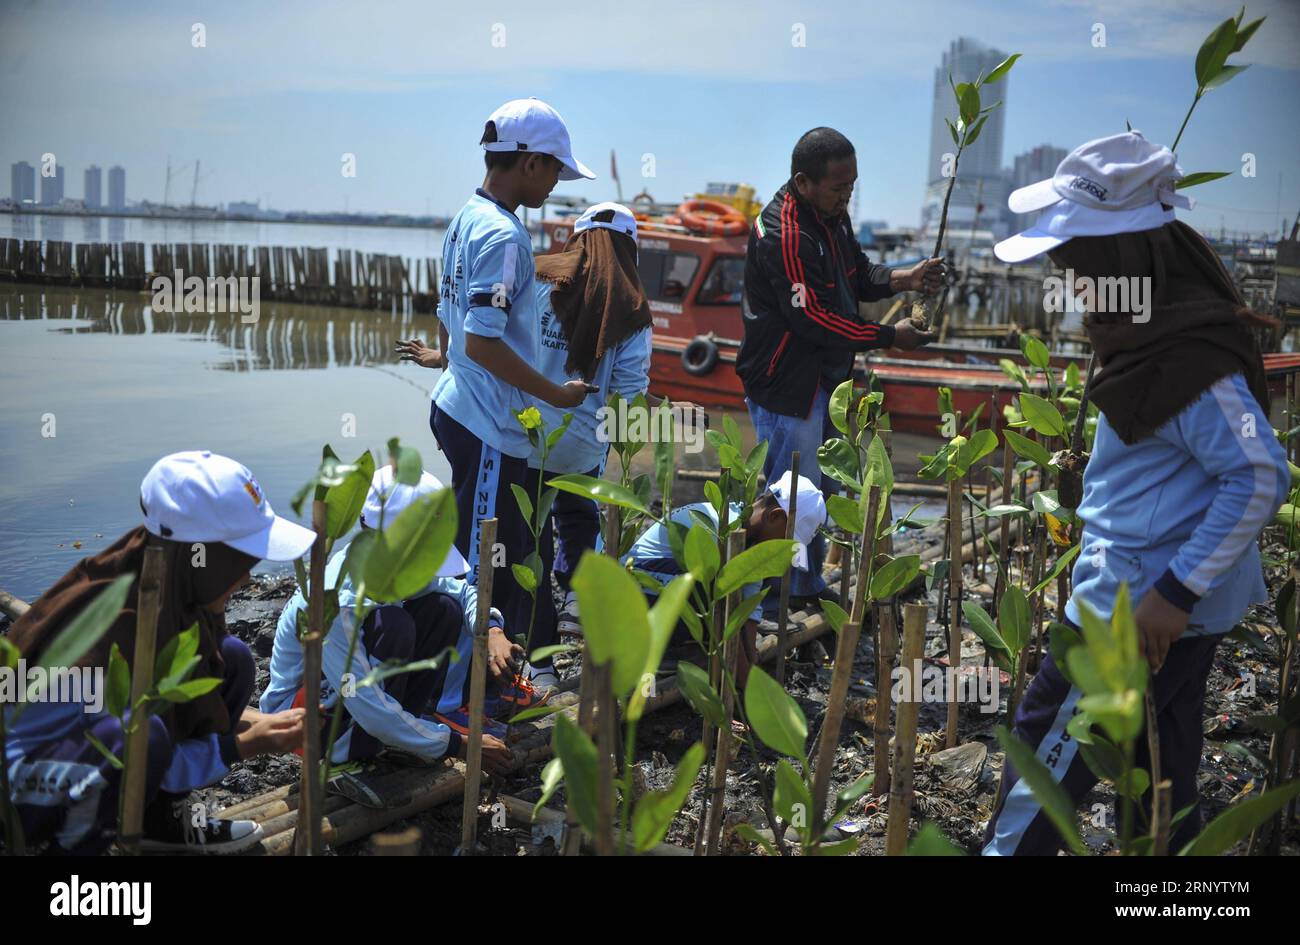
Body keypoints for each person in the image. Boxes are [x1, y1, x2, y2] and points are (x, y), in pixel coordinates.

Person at [981, 131, 1290, 855]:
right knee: (1158, 795)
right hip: (1170, 613)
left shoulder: (1187, 363)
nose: (1072, 285)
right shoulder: (1157, 338)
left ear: (1118, 262)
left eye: (1076, 268)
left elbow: (1261, 474)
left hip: (1132, 617)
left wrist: (1175, 590)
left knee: (1039, 770)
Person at [3, 450, 315, 854]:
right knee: (140, 737)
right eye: (240, 560)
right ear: (198, 557)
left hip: (104, 751)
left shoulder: (176, 593)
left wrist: (261, 724)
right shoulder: (109, 631)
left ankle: (151, 821)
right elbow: (130, 747)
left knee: (232, 659)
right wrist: (242, 745)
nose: (246, 576)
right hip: (21, 787)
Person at [403, 98, 594, 703]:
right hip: (485, 420)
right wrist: (557, 394)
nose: (558, 184)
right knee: (485, 554)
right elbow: (485, 344)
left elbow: (448, 313)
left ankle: (482, 674)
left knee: (496, 543)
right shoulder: (505, 235)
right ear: (531, 163)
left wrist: (445, 357)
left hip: (461, 403)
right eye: (557, 171)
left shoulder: (467, 216)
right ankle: (469, 690)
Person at [735, 127, 943, 607]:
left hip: (828, 379)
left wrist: (902, 278)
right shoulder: (785, 234)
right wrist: (890, 338)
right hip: (788, 381)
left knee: (820, 488)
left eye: (852, 186)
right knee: (789, 491)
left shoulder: (831, 216)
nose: (847, 196)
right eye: (838, 188)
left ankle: (804, 586)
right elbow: (812, 320)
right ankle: (767, 598)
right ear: (803, 182)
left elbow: (858, 274)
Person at [262, 466, 518, 801]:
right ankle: (339, 761)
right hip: (299, 720)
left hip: (353, 700)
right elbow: (364, 700)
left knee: (442, 610)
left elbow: (459, 592)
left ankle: (389, 742)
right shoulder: (335, 602)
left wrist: (493, 630)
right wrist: (458, 743)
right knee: (395, 625)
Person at [524, 201, 654, 685]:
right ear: (629, 248)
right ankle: (579, 599)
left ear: (574, 239)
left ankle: (536, 667)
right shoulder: (633, 307)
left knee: (527, 547)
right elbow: (626, 398)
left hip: (522, 439)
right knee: (578, 513)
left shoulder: (533, 277)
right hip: (580, 447)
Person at [623, 472, 827, 688]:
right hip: (635, 592)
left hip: (663, 592)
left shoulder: (749, 539)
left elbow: (748, 609)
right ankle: (662, 652)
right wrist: (748, 689)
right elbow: (724, 612)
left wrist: (752, 657)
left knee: (719, 596)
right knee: (711, 588)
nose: (781, 551)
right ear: (774, 517)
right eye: (785, 541)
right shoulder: (723, 528)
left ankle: (677, 648)